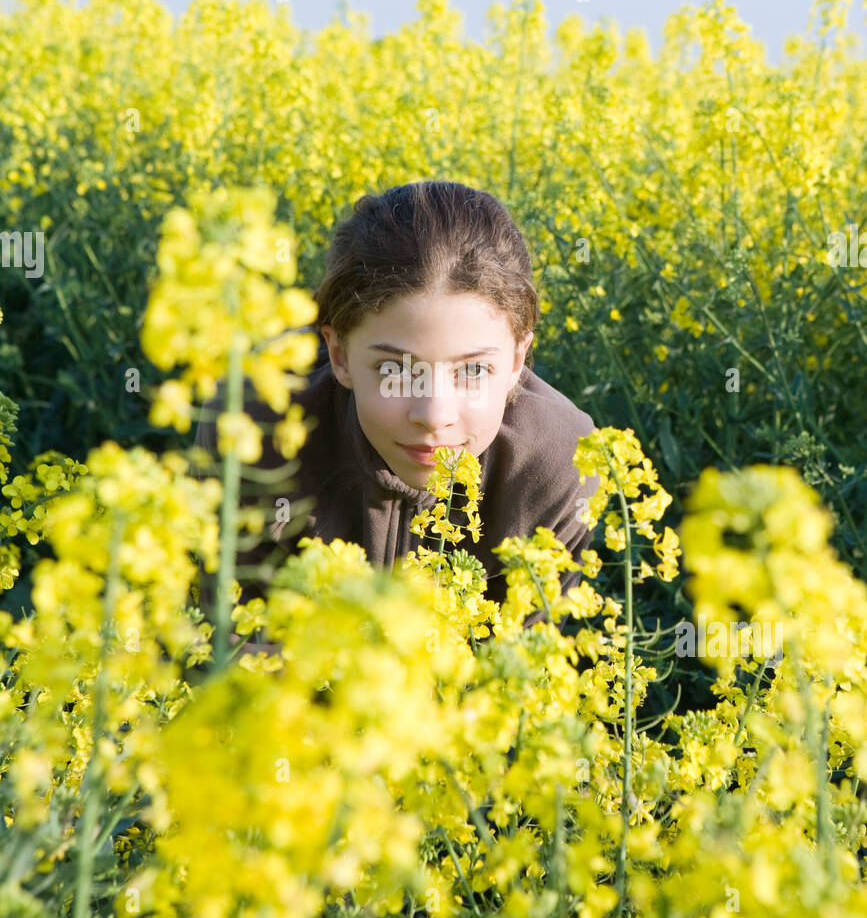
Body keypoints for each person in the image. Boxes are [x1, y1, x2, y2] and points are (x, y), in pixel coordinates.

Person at [191, 179, 600, 638]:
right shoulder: (249, 426)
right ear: (340, 355)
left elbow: (527, 672)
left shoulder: (560, 465)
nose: (433, 414)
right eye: (396, 370)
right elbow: (225, 648)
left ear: (517, 362)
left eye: (474, 370)